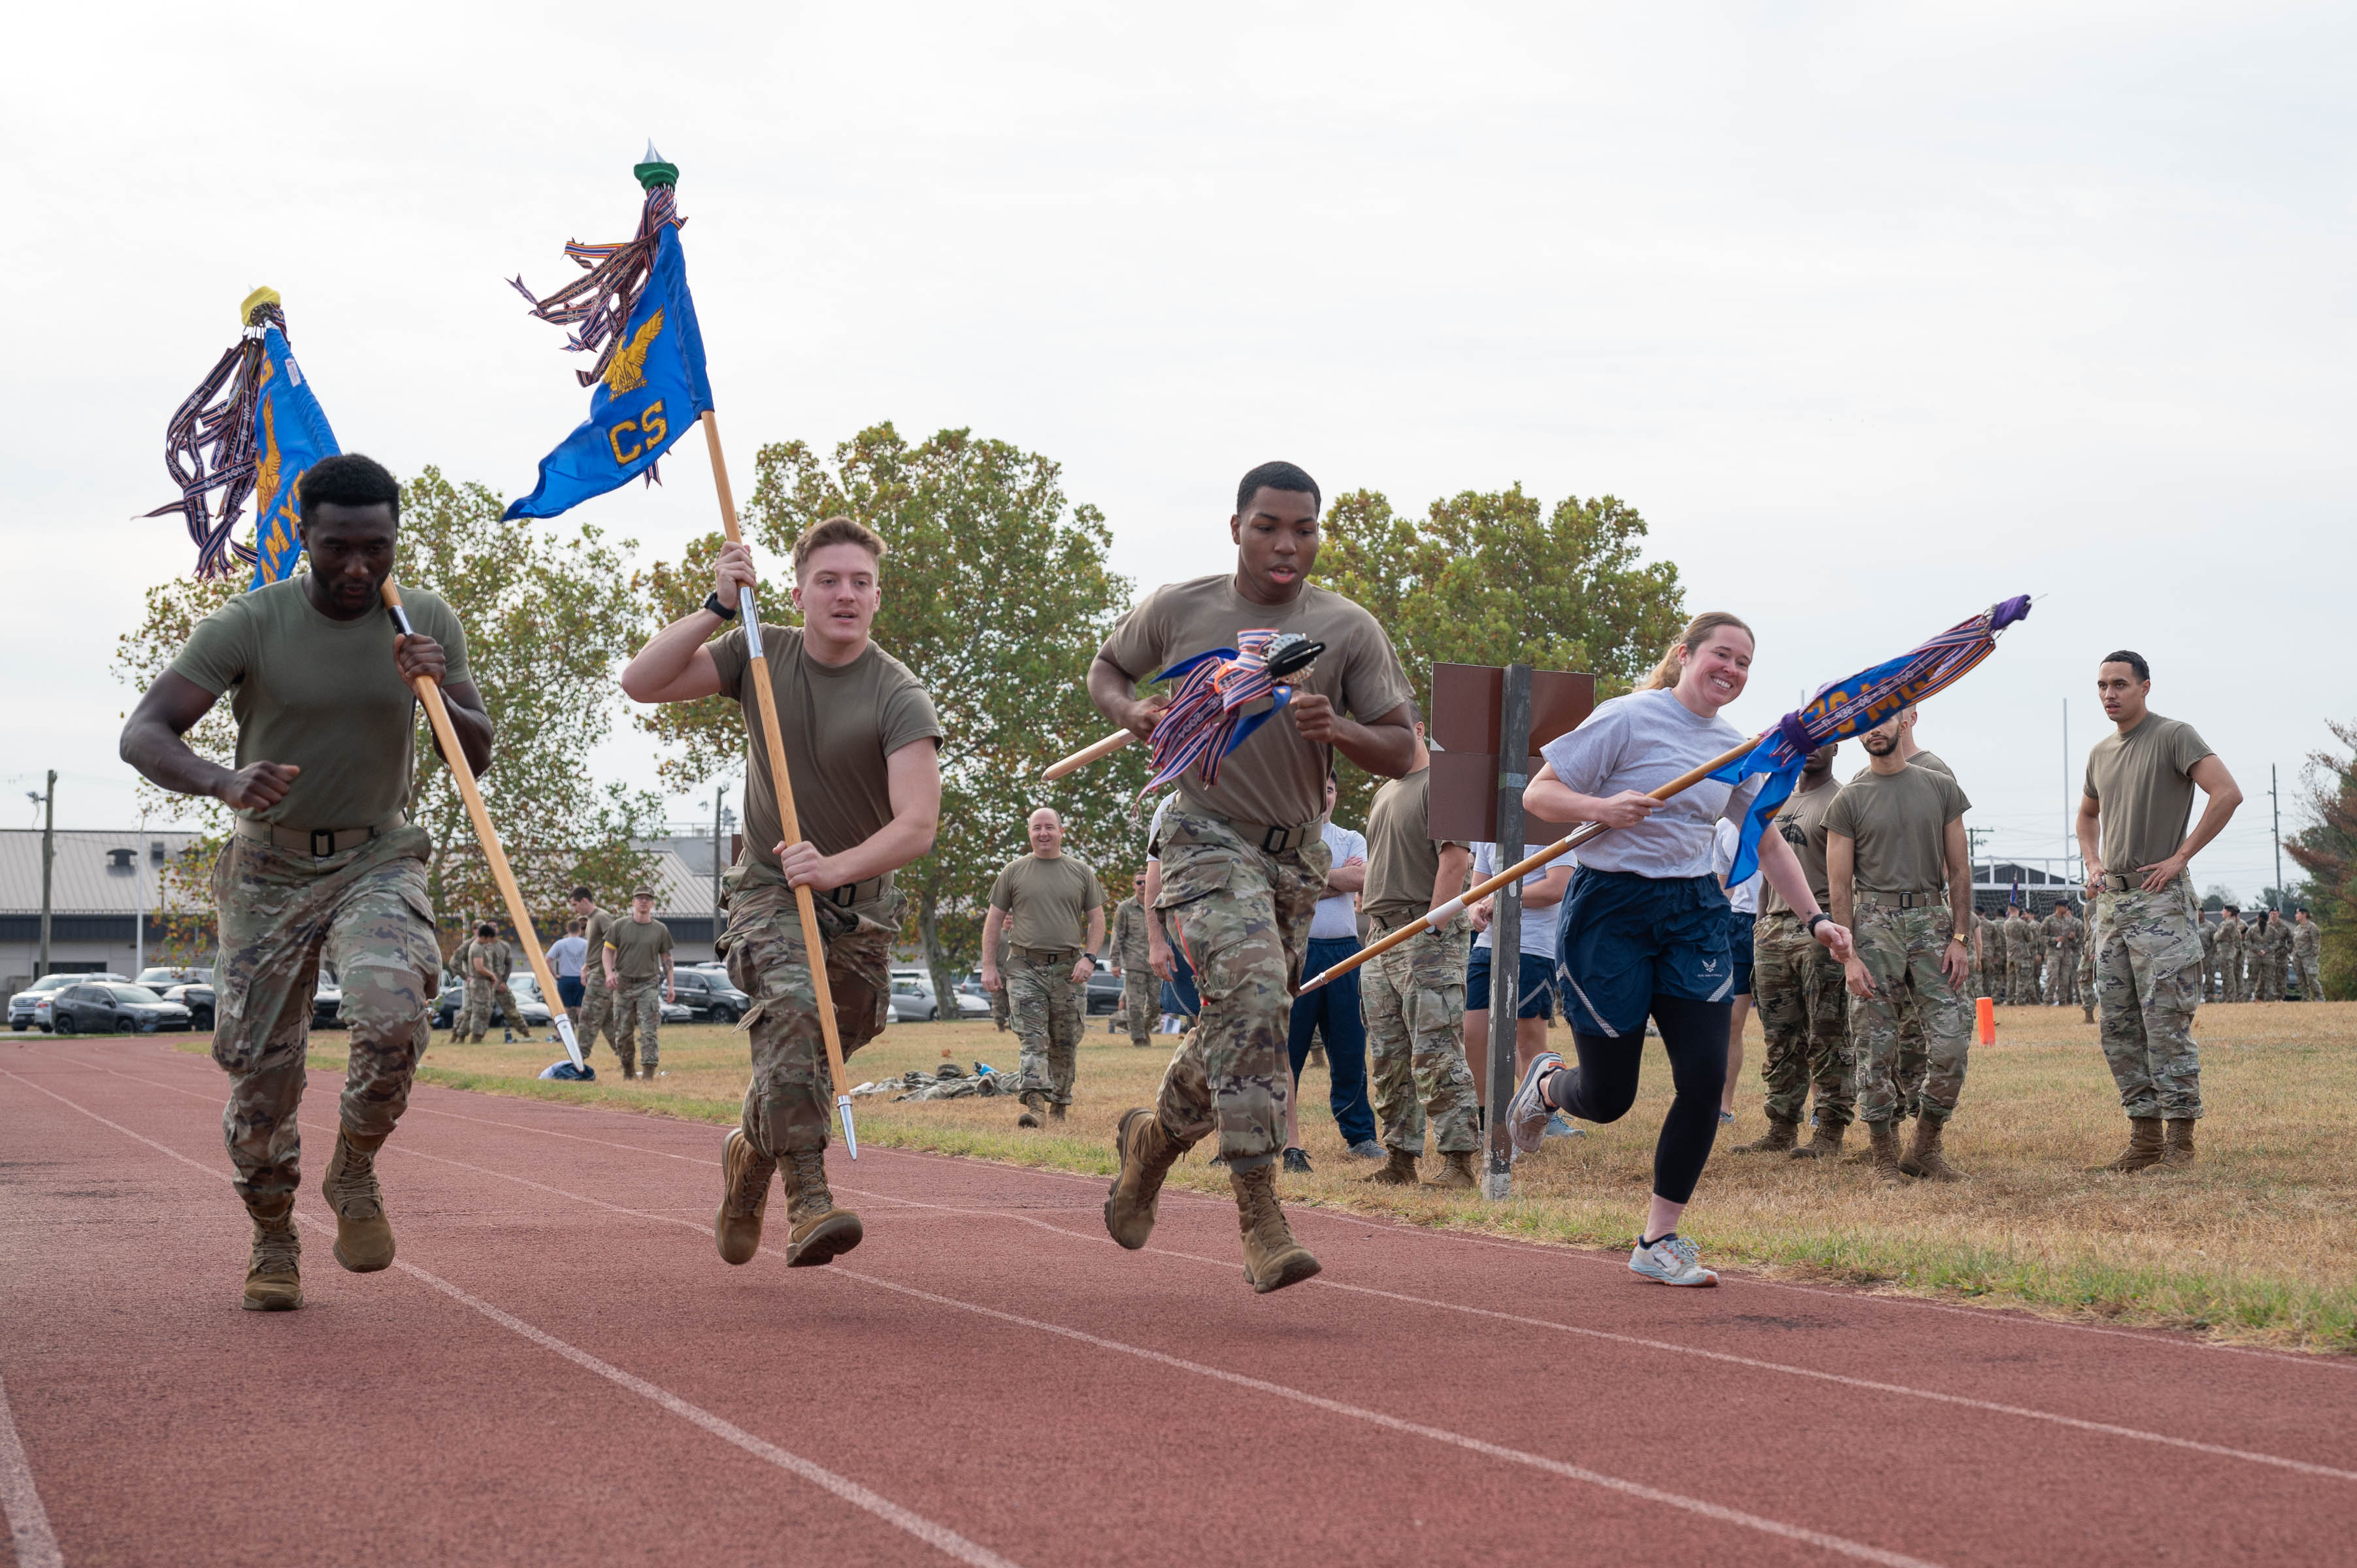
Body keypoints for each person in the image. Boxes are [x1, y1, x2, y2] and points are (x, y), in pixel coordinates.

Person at [118, 453, 480, 1311]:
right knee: (260, 1078)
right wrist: (222, 780)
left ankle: (352, 1166)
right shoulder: (250, 623)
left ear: (395, 539)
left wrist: (439, 692)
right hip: (269, 868)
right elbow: (144, 732)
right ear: (303, 539)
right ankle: (273, 1231)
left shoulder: (421, 619)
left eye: (377, 548)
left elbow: (476, 754)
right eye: (337, 549)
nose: (359, 569)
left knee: (393, 1010)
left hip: (376, 856)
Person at [1094, 459, 1415, 1294]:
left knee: (1250, 1012)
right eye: (1269, 525)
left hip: (1294, 855)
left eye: (1303, 528)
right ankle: (1259, 1213)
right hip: (1203, 832)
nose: (1286, 543)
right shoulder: (1180, 607)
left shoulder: (1347, 627)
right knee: (1258, 995)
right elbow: (1106, 669)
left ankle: (1153, 1143)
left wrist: (1337, 727)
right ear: (1236, 526)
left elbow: (1405, 749)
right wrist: (1132, 712)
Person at [620, 516, 942, 1267]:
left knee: (826, 1050)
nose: (845, 594)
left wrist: (833, 868)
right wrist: (719, 604)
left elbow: (917, 825)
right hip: (768, 888)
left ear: (877, 598)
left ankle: (751, 1157)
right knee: (795, 1016)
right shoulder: (760, 654)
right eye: (828, 580)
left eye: (860, 582)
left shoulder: (899, 694)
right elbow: (643, 683)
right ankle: (808, 1198)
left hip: (856, 907)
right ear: (796, 593)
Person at [1507, 613, 1854, 1286]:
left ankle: (1657, 1238)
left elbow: (1767, 841)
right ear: (1685, 655)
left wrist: (1816, 919)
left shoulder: (1734, 749)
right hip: (1610, 908)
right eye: (1721, 655)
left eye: (1744, 662)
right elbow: (1538, 793)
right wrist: (1600, 809)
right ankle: (1548, 1084)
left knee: (1702, 1080)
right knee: (1609, 1097)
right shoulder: (1627, 719)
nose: (1731, 670)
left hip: (1693, 912)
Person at [2077, 649, 2241, 1171]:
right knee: (2118, 1025)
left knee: (2165, 1021)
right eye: (2102, 685)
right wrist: (2093, 861)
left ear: (2145, 687)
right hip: (2112, 904)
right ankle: (2144, 1139)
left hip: (2159, 900)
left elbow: (2226, 794)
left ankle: (2179, 1145)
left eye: (2120, 684)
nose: (2109, 694)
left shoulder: (2174, 736)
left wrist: (2180, 856)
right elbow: (2086, 815)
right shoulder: (2100, 752)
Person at [1823, 711, 1977, 1183]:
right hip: (1873, 926)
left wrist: (1958, 937)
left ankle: (1925, 1147)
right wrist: (1848, 954)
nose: (1874, 729)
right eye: (1865, 723)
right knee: (1874, 1045)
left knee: (1951, 1042)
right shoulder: (1848, 799)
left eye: (1883, 719)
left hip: (1932, 923)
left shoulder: (1938, 787)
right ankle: (1884, 1156)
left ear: (1901, 722)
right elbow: (1839, 884)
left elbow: (1959, 871)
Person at [1358, 720, 1480, 1188]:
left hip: (1424, 933)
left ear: (1418, 729)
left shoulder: (1442, 782)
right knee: (1388, 1056)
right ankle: (1400, 1158)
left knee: (1435, 1051)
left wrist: (1432, 928)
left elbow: (1455, 860)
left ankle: (1458, 1162)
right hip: (1381, 937)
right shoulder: (1385, 790)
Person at [1732, 741, 1853, 1160]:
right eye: (1808, 743)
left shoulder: (1842, 798)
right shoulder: (1776, 799)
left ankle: (1829, 1132)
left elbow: (1849, 873)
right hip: (1773, 931)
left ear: (1837, 748)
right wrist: (1762, 921)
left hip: (1821, 932)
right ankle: (1781, 1127)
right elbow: (1769, 867)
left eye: (1824, 743)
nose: (1814, 750)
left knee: (1829, 1034)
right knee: (1780, 1036)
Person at [1845, 707, 1956, 1117]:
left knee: (1923, 1033)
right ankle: (1887, 1123)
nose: (1879, 726)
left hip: (1925, 917)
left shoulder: (1934, 774)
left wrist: (1950, 923)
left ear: (1909, 718)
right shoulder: (1859, 786)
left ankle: (1913, 1113)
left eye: (1892, 713)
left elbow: (1951, 858)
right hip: (1879, 922)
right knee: (1878, 1033)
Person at [982, 809, 1106, 1128]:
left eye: (1049, 827)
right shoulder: (1013, 871)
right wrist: (988, 966)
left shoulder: (1081, 872)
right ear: (1029, 833)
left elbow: (1097, 919)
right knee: (1033, 1039)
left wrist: (1089, 958)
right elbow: (994, 919)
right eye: (1037, 828)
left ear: (1061, 831)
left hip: (1069, 968)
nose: (1043, 833)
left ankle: (1060, 1105)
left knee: (1065, 1041)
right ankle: (1035, 1105)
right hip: (1025, 966)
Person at [1283, 773, 1382, 1169]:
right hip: (1297, 954)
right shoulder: (1286, 837)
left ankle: (1360, 1136)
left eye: (1328, 788)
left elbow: (1362, 877)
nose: (1322, 795)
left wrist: (1309, 880)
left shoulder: (1350, 838)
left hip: (1344, 954)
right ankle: (1284, 1140)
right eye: (1314, 787)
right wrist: (1333, 880)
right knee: (1288, 1050)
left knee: (1349, 1048)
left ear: (1335, 795)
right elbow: (1284, 887)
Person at [1464, 830, 1577, 1140]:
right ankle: (1491, 1121)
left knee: (1527, 1043)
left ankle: (1543, 1114)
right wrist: (1475, 909)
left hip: (1532, 948)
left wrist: (1502, 898)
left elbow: (1559, 887)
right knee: (1473, 1036)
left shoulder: (1552, 827)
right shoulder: (1489, 835)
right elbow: (1477, 890)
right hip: (1486, 947)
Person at [1712, 817, 1763, 1128]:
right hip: (1739, 926)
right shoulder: (1724, 826)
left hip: (1784, 917)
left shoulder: (1785, 806)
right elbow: (1723, 884)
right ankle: (1723, 1107)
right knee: (1731, 1022)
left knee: (1796, 1020)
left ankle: (1816, 1109)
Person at [602, 888, 675, 1080]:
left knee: (649, 1031)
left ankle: (649, 1075)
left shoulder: (660, 929)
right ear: (633, 902)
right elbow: (607, 951)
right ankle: (628, 1072)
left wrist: (671, 986)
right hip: (623, 984)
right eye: (640, 898)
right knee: (623, 1032)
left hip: (648, 985)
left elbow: (667, 958)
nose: (643, 902)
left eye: (647, 899)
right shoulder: (619, 926)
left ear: (652, 904)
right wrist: (609, 973)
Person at [570, 886, 616, 1062]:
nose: (575, 909)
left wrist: (610, 971)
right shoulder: (591, 920)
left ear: (584, 901)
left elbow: (616, 943)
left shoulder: (602, 917)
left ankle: (578, 1059)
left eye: (575, 905)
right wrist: (586, 966)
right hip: (596, 971)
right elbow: (598, 948)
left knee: (588, 1016)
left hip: (602, 974)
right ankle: (626, 1056)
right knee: (608, 1021)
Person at [1109, 884, 1157, 1047]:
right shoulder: (1125, 908)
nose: (1143, 885)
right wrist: (1115, 963)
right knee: (1135, 1005)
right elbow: (1117, 935)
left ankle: (1143, 1028)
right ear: (1133, 885)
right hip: (1134, 964)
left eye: (1145, 881)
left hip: (1156, 964)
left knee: (1157, 1004)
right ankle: (1139, 1039)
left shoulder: (1158, 904)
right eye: (1139, 882)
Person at [459, 920, 521, 1043]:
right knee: (480, 1011)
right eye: (489, 939)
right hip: (480, 984)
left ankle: (475, 1036)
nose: (490, 942)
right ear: (485, 937)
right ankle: (475, 1037)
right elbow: (479, 967)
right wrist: (492, 975)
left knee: (484, 1010)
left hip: (483, 984)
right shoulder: (477, 948)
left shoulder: (480, 947)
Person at [548, 917, 589, 1028]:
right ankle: (583, 1034)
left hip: (565, 978)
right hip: (581, 979)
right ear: (580, 930)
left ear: (567, 930)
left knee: (563, 1008)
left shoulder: (560, 943)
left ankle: (560, 1033)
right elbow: (593, 959)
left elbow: (547, 960)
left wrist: (555, 974)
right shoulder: (586, 943)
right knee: (581, 1008)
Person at [2043, 900, 2084, 1008]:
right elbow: (2041, 937)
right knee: (2052, 977)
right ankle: (2048, 1000)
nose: (2066, 908)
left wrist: (2072, 937)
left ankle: (2063, 1001)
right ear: (2058, 907)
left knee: (2065, 978)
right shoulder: (2049, 920)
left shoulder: (2070, 922)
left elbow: (2076, 942)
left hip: (2066, 953)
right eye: (2064, 906)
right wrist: (2054, 939)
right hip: (2053, 953)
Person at [2002, 906, 2039, 1005]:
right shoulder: (2022, 924)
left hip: (2010, 955)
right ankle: (2020, 1000)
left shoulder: (2006, 923)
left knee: (2011, 979)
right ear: (2018, 910)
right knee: (2022, 979)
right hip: (2022, 955)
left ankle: (2010, 999)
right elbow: (2030, 938)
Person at [2214, 905, 2247, 1003]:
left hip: (2227, 953)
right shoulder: (2230, 923)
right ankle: (2226, 998)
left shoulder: (2229, 923)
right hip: (2225, 953)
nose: (2222, 912)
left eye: (2223, 911)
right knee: (2226, 977)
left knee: (2229, 977)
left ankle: (2230, 999)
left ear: (2229, 912)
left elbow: (2218, 936)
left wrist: (2216, 934)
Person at [986, 923, 1013, 1032]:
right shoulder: (997, 934)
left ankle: (1014, 1025)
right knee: (998, 1001)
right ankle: (1000, 1025)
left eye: (1011, 917)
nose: (1009, 920)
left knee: (1014, 1001)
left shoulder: (1016, 933)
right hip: (999, 972)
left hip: (1013, 972)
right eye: (1007, 917)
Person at [2293, 908, 2324, 1002]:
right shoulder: (2297, 928)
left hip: (2309, 958)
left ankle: (2320, 999)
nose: (2296, 915)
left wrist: (2313, 957)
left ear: (2304, 915)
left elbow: (2316, 944)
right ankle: (2306, 999)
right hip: (2298, 958)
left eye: (2298, 913)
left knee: (2312, 979)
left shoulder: (2312, 927)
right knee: (2301, 980)